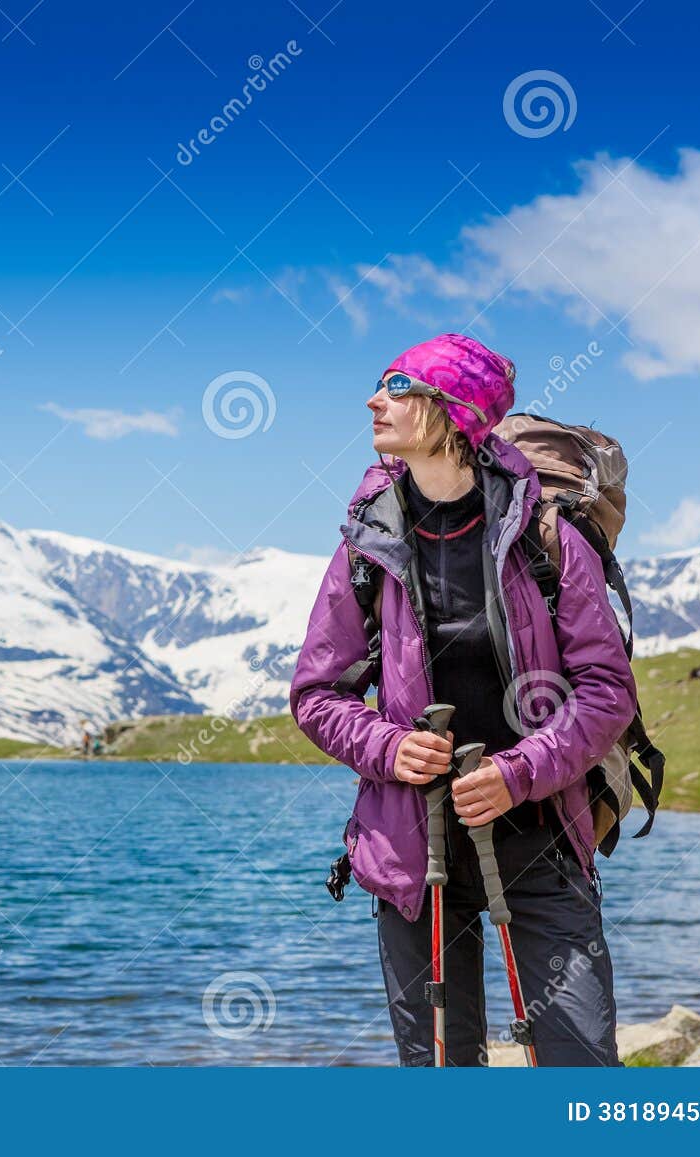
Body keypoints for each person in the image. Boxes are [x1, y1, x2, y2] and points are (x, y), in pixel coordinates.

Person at [289, 333, 638, 1067]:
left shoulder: (546, 535)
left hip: (539, 837)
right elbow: (318, 693)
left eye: (397, 384)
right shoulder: (366, 546)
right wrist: (389, 746)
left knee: (582, 1066)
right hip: (413, 854)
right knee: (443, 1075)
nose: (373, 399)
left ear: (451, 410)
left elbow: (607, 692)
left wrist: (519, 772)